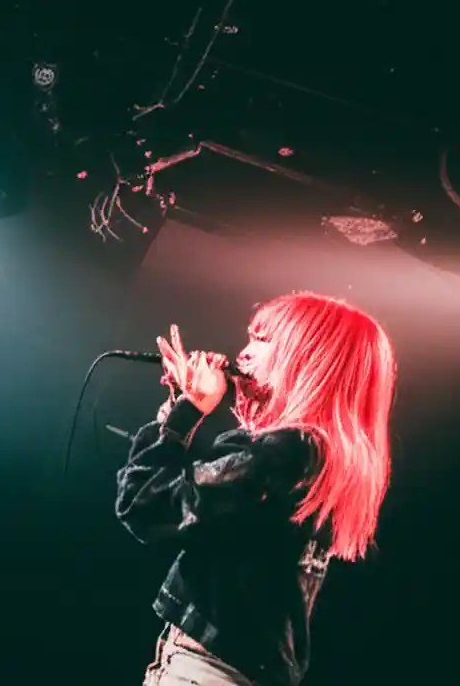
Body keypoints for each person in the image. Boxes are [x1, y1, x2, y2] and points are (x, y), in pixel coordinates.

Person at [116, 292, 396, 686]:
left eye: (262, 341)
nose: (242, 354)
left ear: (308, 358)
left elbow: (146, 505)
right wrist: (182, 406)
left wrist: (188, 410)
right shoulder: (320, 457)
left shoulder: (285, 453)